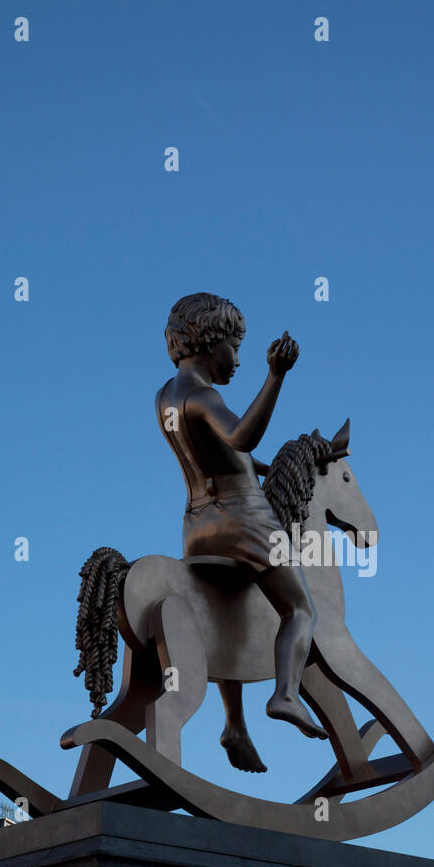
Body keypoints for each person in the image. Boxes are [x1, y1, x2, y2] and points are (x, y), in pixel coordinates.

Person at [156, 292, 327, 768]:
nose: (237, 359)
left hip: (196, 523)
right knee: (300, 609)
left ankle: (234, 723)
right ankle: (286, 694)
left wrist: (272, 468)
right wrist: (275, 377)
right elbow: (240, 437)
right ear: (210, 343)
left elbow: (225, 454)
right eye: (234, 346)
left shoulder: (166, 397)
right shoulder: (206, 396)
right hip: (244, 519)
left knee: (226, 613)